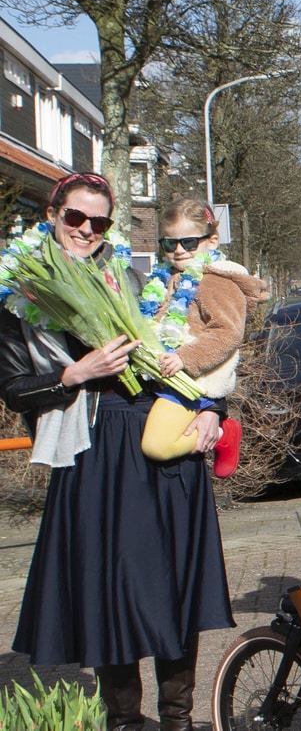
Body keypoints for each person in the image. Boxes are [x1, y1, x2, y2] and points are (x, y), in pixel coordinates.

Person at [2, 173, 231, 731]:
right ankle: (124, 721)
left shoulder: (134, 278)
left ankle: (178, 719)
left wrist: (212, 410)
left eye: (99, 221)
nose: (85, 229)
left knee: (176, 584)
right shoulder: (21, 293)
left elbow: (196, 347)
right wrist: (74, 374)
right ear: (52, 213)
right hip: (95, 448)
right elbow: (12, 387)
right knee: (110, 586)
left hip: (162, 437)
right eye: (75, 217)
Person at [149, 197, 269, 477]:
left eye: (189, 243)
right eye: (169, 243)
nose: (178, 251)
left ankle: (223, 434)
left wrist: (184, 359)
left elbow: (227, 333)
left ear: (212, 241)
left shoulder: (216, 280)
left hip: (197, 383)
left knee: (156, 445)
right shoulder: (167, 278)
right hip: (170, 377)